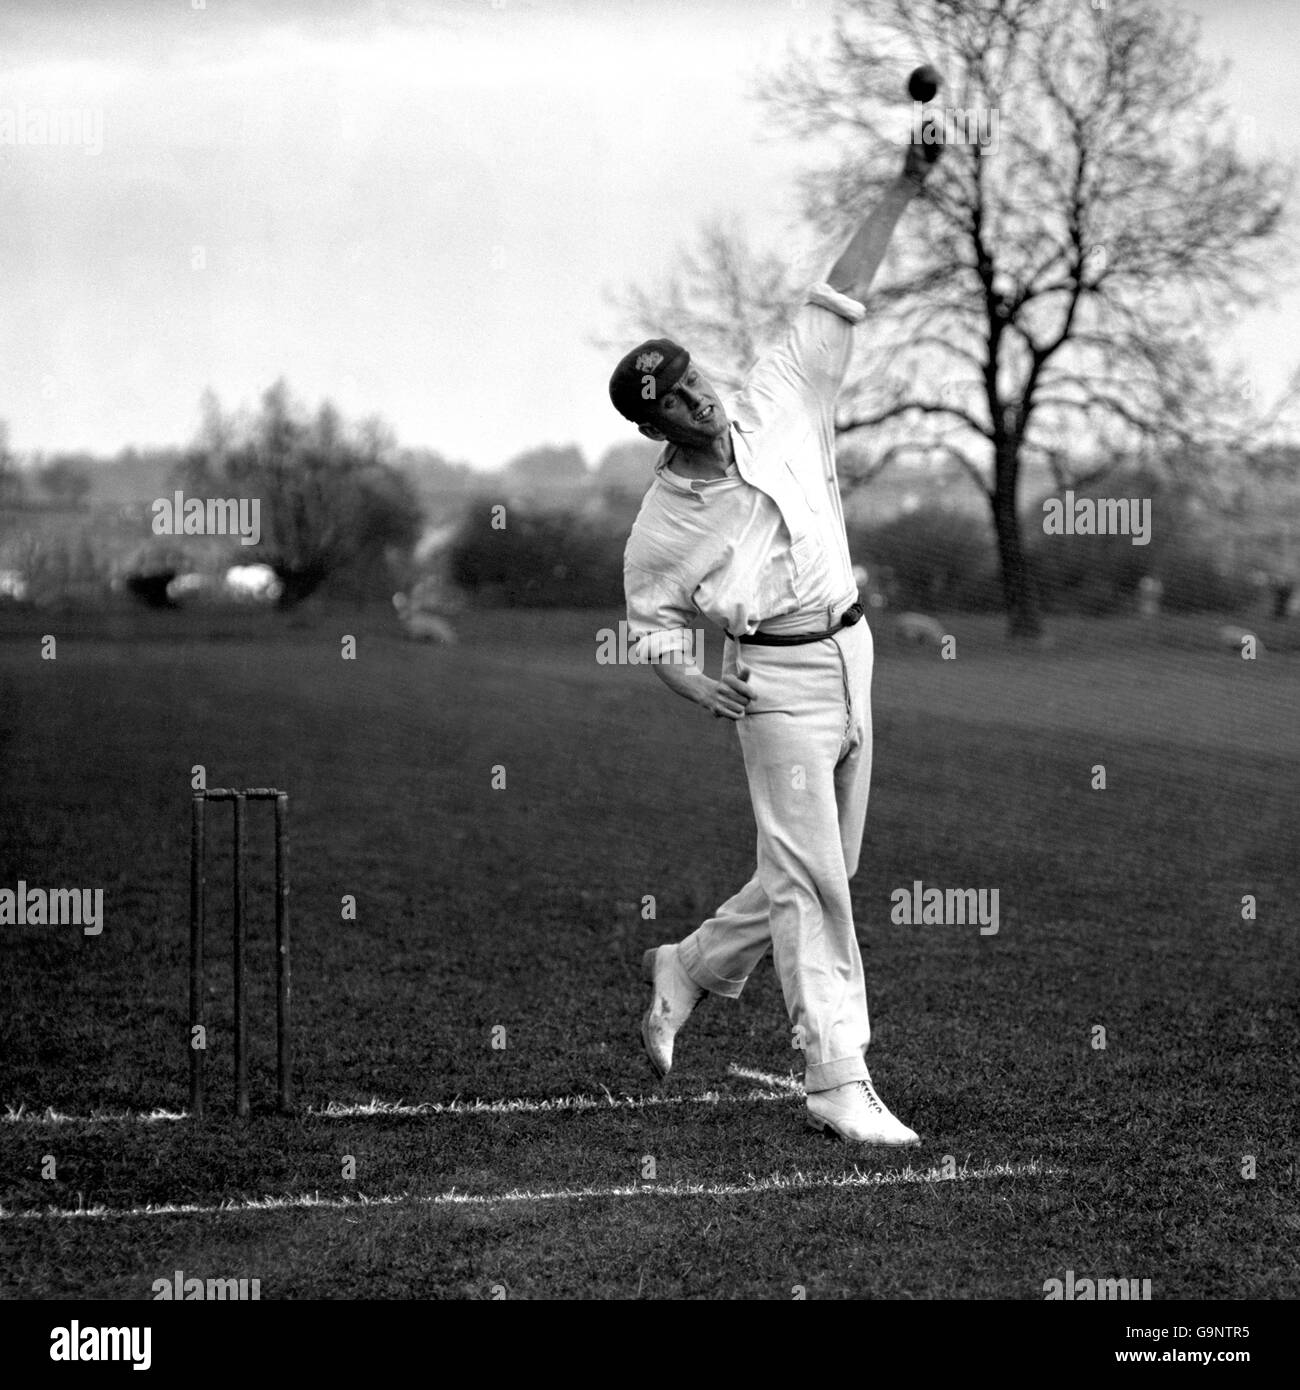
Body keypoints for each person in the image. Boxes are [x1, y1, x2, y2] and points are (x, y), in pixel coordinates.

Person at [609, 133, 942, 1144]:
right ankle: (836, 1077)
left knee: (829, 865)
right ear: (654, 426)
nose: (697, 397)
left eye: (693, 379)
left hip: (853, 650)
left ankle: (689, 965)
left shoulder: (781, 394)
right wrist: (691, 685)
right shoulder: (663, 524)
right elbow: (649, 624)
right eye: (674, 400)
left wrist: (905, 183)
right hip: (773, 684)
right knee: (810, 884)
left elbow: (839, 293)